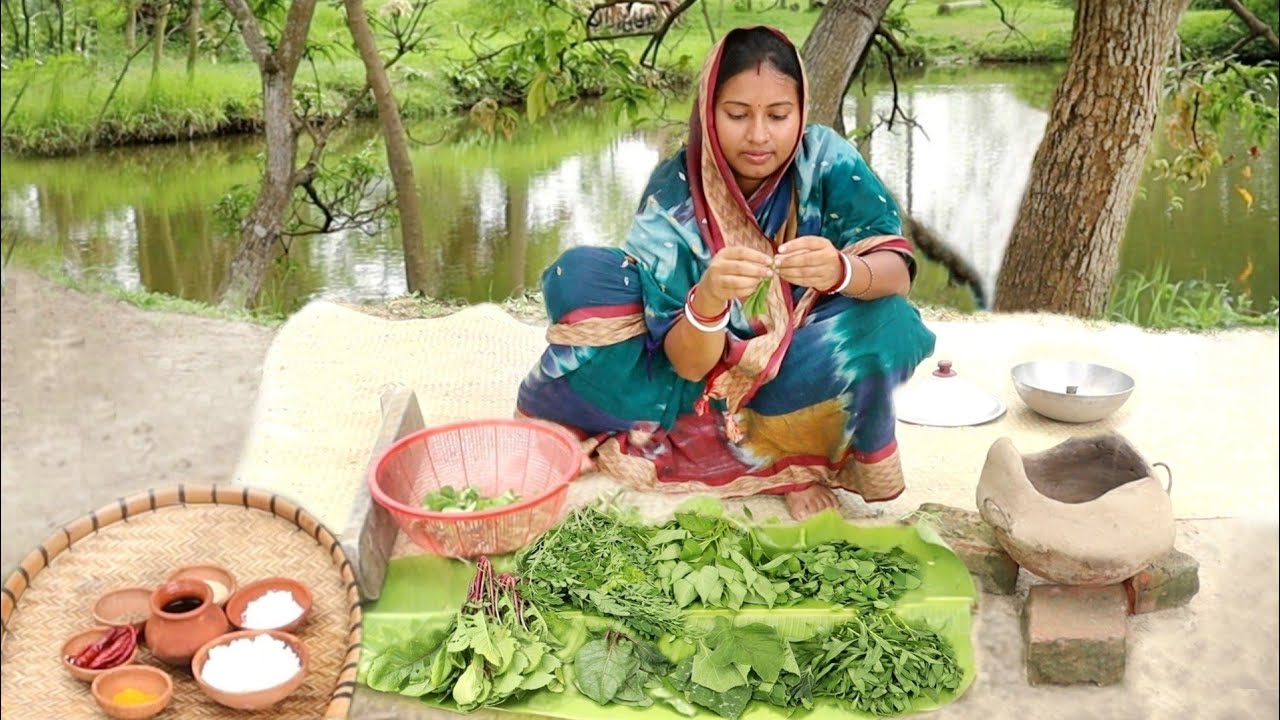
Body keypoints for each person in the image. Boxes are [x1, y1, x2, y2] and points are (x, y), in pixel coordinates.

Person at [516, 26, 936, 520]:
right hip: (697, 388)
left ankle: (802, 457)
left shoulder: (825, 159)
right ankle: (744, 449)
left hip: (800, 368)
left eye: (778, 115)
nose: (759, 136)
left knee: (891, 324)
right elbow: (688, 365)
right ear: (708, 114)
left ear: (801, 114)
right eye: (737, 115)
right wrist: (709, 297)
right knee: (583, 277)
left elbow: (896, 273)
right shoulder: (672, 195)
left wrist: (843, 269)